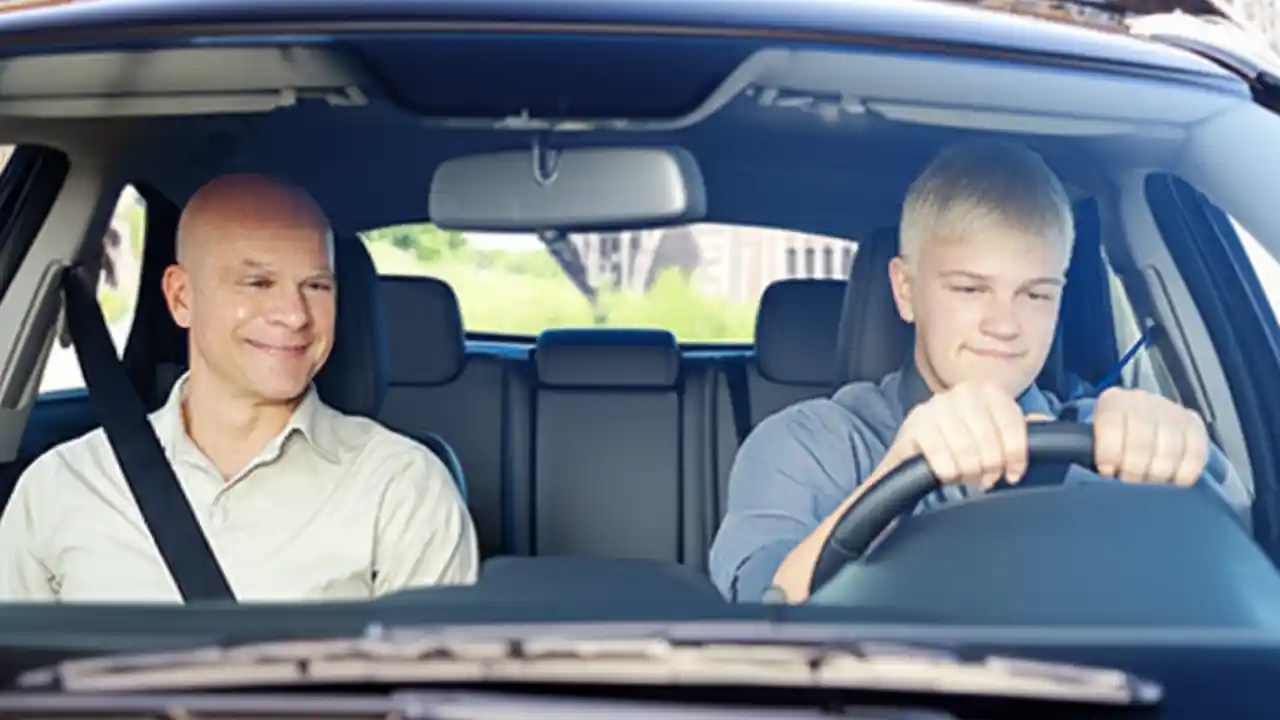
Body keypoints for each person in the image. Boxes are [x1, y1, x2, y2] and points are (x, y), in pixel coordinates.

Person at [709, 141, 1253, 604]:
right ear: (905, 291)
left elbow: (1243, 574)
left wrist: (1186, 457)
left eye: (1035, 294)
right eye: (971, 289)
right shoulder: (809, 445)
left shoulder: (1104, 442)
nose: (1005, 324)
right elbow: (764, 611)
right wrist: (896, 473)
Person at [0, 173, 479, 602]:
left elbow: (433, 694)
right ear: (182, 298)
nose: (294, 315)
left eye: (316, 286)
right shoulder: (61, 485)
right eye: (258, 283)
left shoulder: (401, 488)